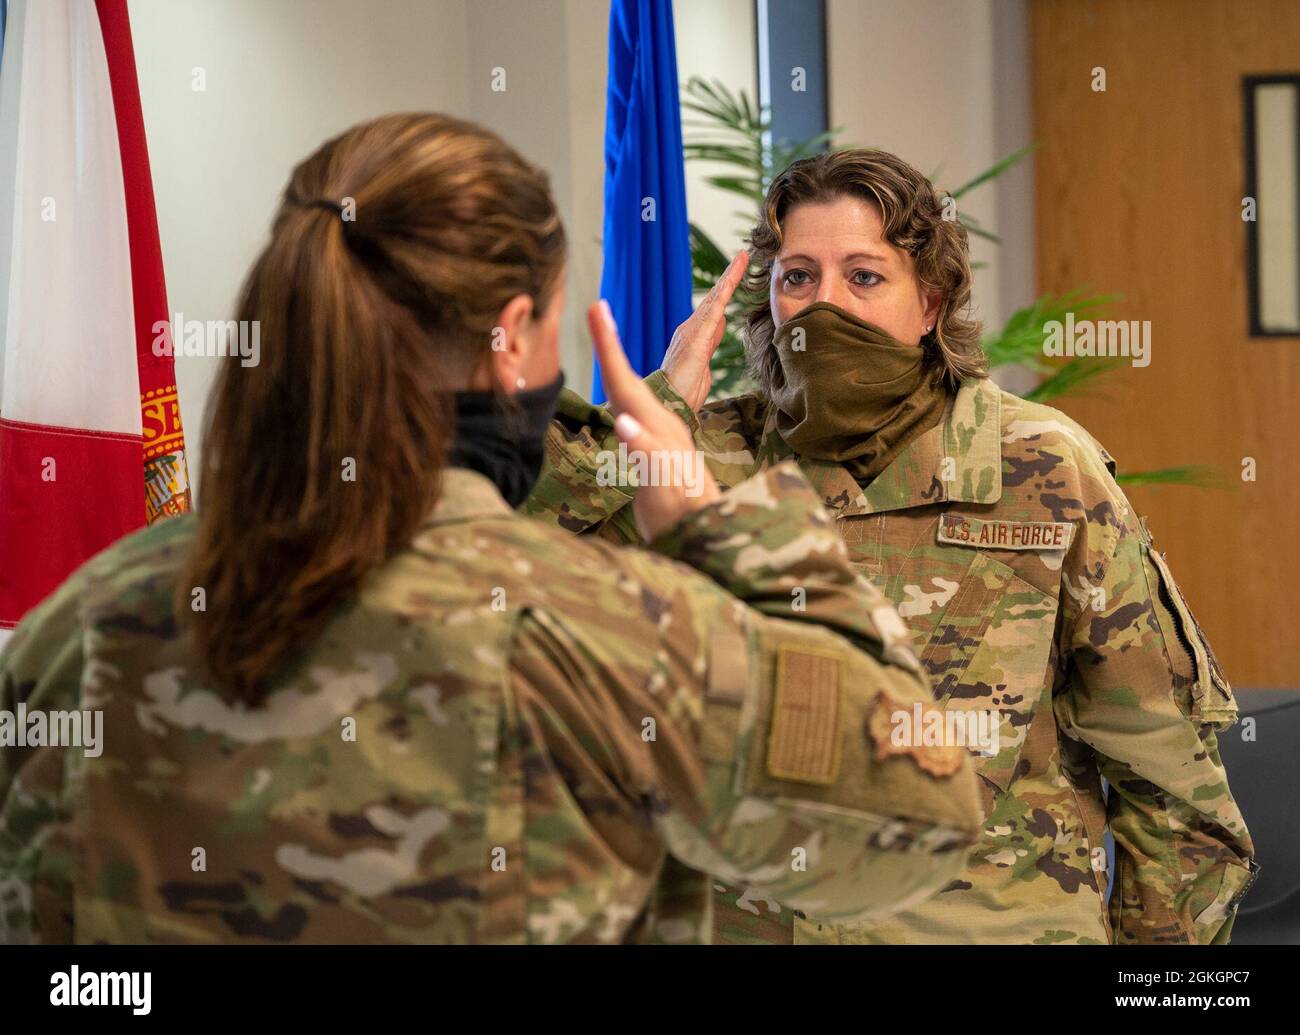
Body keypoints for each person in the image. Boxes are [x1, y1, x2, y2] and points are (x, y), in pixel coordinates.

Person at [0, 116, 983, 945]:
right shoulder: (621, 635)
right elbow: (922, 819)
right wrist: (735, 534)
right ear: (511, 336)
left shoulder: (80, 622)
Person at [524, 148, 1258, 944]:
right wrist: (661, 409)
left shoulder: (1043, 467)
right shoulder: (702, 459)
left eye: (864, 277)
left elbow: (1170, 783)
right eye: (797, 276)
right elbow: (504, 564)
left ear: (931, 303)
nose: (823, 306)